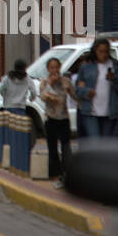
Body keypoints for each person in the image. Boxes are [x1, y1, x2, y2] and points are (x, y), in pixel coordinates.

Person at [74, 37, 118, 137]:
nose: (104, 54)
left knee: (106, 144)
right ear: (95, 51)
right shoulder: (86, 67)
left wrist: (114, 79)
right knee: (94, 140)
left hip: (110, 112)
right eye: (101, 51)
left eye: (106, 51)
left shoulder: (116, 65)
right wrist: (87, 92)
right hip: (91, 111)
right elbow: (77, 89)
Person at [40, 56, 75, 185]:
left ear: (60, 67)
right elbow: (43, 96)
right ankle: (55, 174)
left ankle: (68, 173)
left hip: (63, 118)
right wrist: (50, 84)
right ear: (48, 69)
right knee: (52, 148)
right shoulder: (44, 82)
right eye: (51, 67)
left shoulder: (65, 81)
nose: (54, 70)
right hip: (51, 118)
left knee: (66, 147)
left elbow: (74, 94)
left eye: (56, 67)